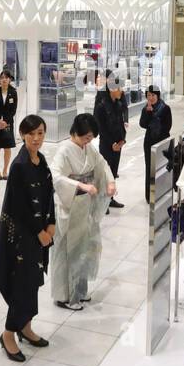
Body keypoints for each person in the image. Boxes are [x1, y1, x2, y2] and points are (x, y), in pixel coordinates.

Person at [0, 115, 56, 361]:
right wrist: (39, 231)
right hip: (21, 237)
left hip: (40, 233)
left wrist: (51, 224)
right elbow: (18, 206)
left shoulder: (42, 160)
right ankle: (8, 334)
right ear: (22, 135)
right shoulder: (18, 166)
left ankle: (25, 327)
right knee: (21, 284)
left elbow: (49, 195)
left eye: (40, 133)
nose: (36, 138)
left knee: (33, 280)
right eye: (31, 134)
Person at [49, 113, 117, 310]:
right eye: (86, 137)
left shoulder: (88, 149)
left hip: (85, 206)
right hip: (70, 207)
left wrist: (110, 181)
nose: (88, 141)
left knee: (85, 249)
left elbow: (101, 164)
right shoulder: (64, 151)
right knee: (69, 251)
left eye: (91, 138)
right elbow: (55, 176)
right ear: (75, 133)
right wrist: (81, 185)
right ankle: (65, 295)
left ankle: (79, 289)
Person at [94, 78, 128, 210]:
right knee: (105, 174)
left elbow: (121, 124)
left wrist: (122, 140)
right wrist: (112, 143)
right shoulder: (101, 106)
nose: (121, 91)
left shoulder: (118, 104)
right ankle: (103, 201)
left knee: (113, 172)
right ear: (112, 89)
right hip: (107, 145)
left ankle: (110, 198)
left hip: (117, 145)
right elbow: (101, 129)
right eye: (119, 88)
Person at [139, 85, 173, 203]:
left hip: (162, 141)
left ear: (157, 95)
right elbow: (142, 124)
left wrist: (156, 129)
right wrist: (148, 113)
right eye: (148, 95)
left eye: (153, 95)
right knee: (149, 168)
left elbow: (168, 126)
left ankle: (161, 192)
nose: (151, 98)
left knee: (161, 167)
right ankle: (149, 195)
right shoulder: (145, 109)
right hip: (149, 142)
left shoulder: (165, 108)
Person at [0, 69, 18, 181]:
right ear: (0, 79)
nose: (4, 80)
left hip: (8, 124)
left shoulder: (13, 92)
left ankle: (5, 170)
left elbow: (13, 110)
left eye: (6, 78)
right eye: (2, 78)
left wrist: (5, 122)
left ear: (10, 79)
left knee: (7, 147)